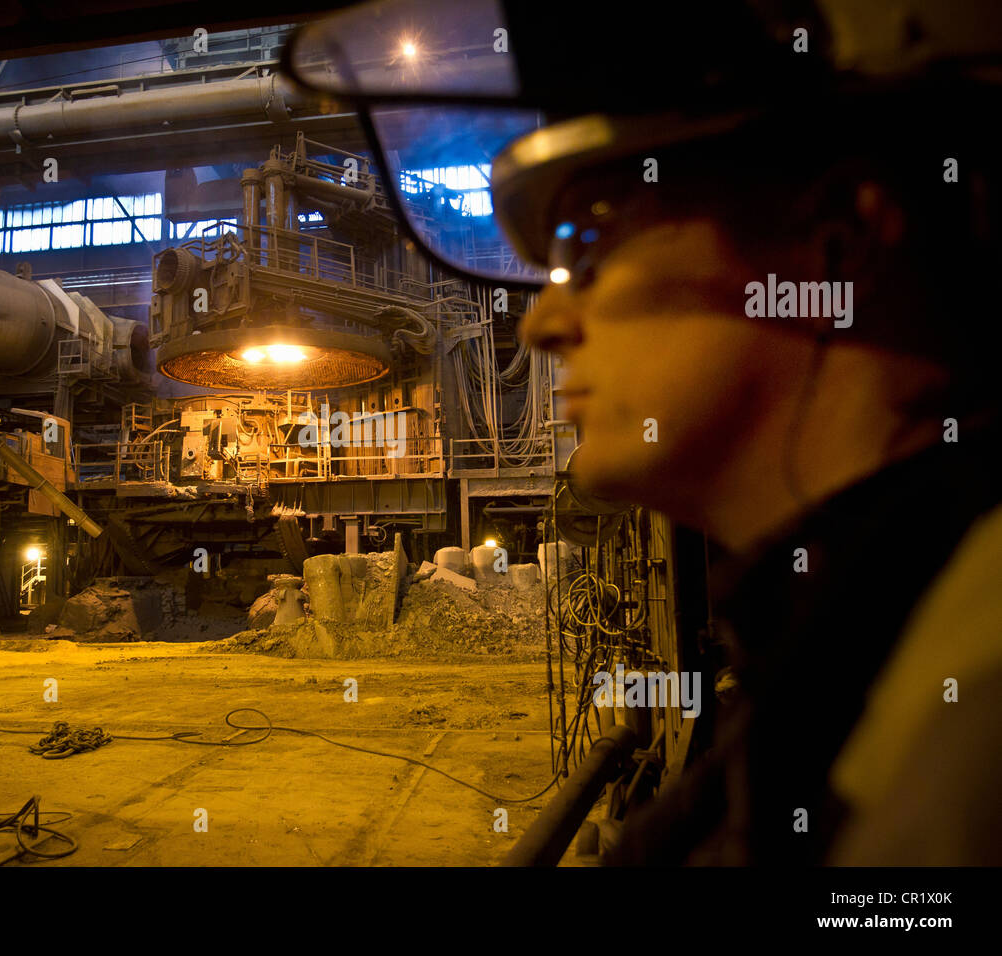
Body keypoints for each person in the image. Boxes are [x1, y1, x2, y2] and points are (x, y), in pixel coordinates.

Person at [283, 0, 1002, 863]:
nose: (545, 321)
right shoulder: (856, 642)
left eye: (591, 241)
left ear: (835, 244)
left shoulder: (969, 711)